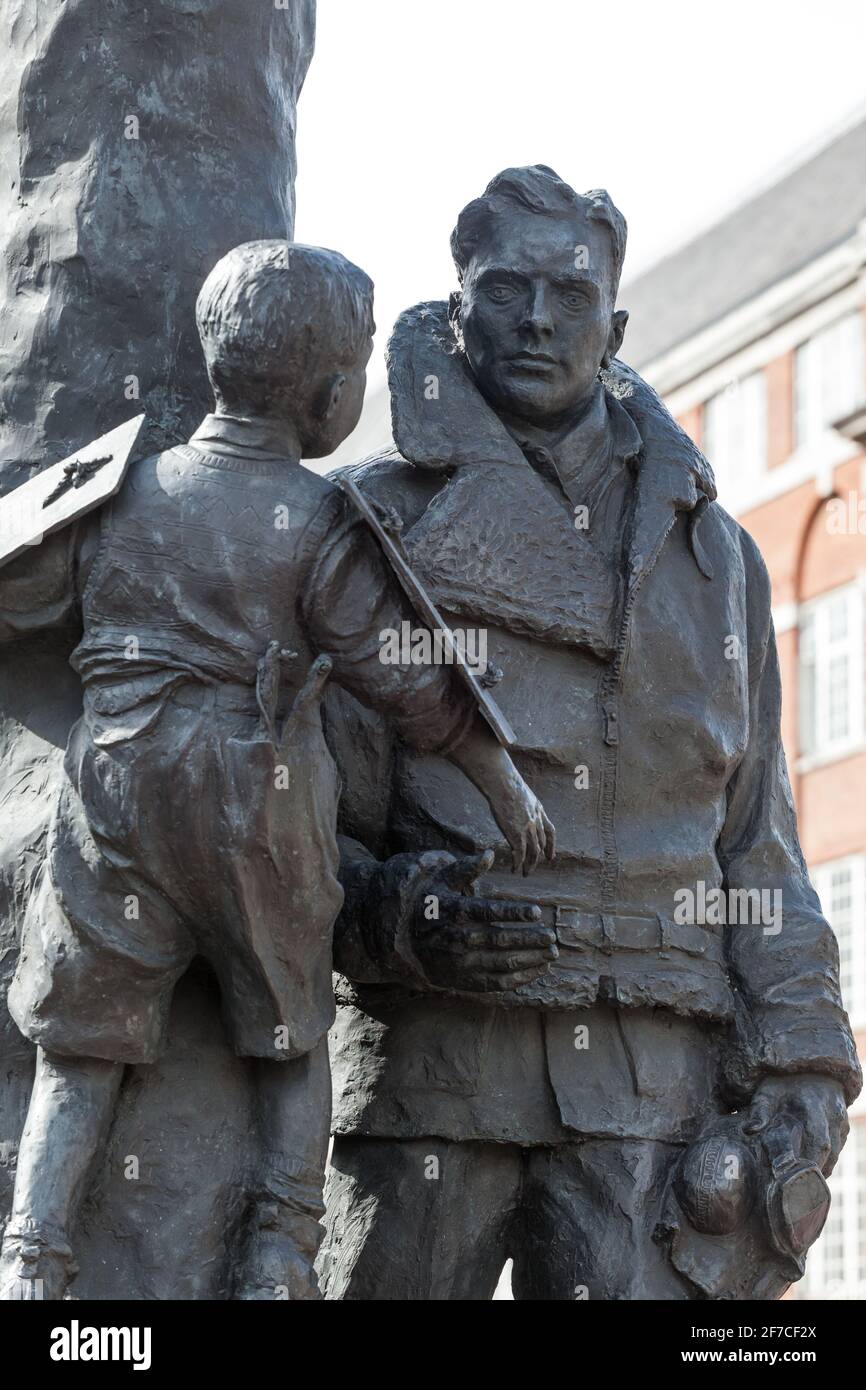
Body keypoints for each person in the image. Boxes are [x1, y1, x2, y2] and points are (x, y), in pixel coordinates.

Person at [318, 168, 861, 1300]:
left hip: (648, 1094)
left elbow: (756, 846)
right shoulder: (370, 523)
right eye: (503, 288)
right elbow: (300, 840)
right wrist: (407, 917)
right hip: (435, 1071)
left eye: (567, 296)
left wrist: (809, 1058)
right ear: (456, 306)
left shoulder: (716, 563)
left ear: (613, 327)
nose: (533, 319)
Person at [0, 239, 552, 1301]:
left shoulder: (116, 490)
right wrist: (502, 781)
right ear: (333, 390)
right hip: (258, 795)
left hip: (115, 786)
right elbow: (409, 675)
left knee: (81, 1041)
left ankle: (32, 1249)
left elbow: (16, 593)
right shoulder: (315, 520)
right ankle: (276, 1252)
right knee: (292, 1032)